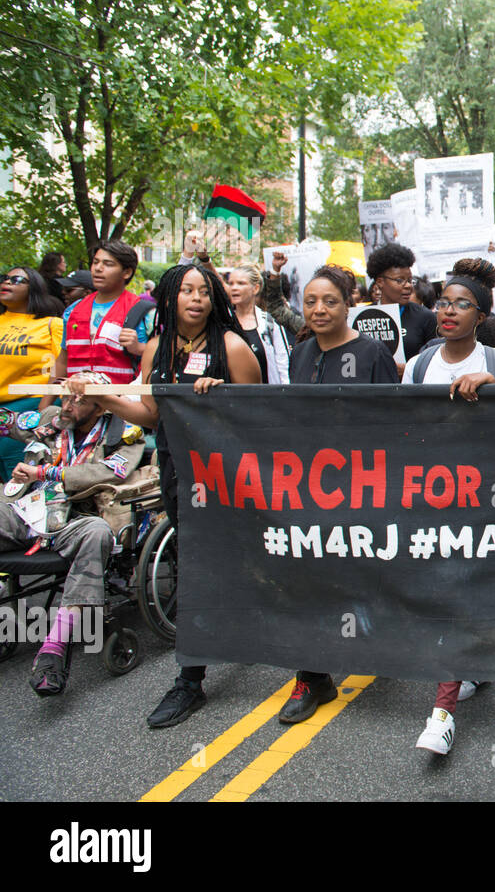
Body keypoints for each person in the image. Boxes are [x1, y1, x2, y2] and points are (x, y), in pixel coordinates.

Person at [82, 262, 263, 728]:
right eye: (186, 290)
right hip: (179, 474)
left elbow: (265, 418)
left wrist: (223, 401)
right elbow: (149, 415)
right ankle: (190, 680)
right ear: (169, 297)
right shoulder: (157, 349)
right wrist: (102, 398)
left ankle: (305, 665)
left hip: (230, 478)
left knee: (255, 563)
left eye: (205, 290)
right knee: (192, 568)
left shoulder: (232, 347)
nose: (197, 298)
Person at [269, 266, 400, 725]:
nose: (319, 309)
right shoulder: (301, 352)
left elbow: (393, 425)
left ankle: (384, 646)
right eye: (310, 301)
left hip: (363, 490)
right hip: (310, 491)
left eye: (329, 301)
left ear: (349, 305)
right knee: (310, 580)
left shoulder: (372, 353)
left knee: (363, 575)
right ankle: (312, 675)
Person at [404, 258, 495, 754]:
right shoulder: (418, 364)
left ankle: (443, 711)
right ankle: (451, 696)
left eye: (461, 305)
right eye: (443, 303)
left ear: (481, 315)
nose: (448, 311)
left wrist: (493, 388)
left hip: (487, 501)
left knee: (464, 593)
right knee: (451, 595)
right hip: (433, 500)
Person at [6, 381, 147, 696]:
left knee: (97, 534)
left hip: (78, 518)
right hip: (30, 511)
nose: (68, 404)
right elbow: (12, 425)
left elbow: (110, 472)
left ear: (100, 406)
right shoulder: (55, 418)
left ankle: (52, 652)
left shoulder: (123, 433)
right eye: (66, 397)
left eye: (78, 400)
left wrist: (45, 474)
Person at [52, 241, 150, 389]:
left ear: (127, 272)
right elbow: (61, 360)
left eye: (108, 264)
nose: (98, 268)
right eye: (95, 262)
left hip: (121, 405)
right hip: (75, 405)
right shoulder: (72, 310)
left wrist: (139, 348)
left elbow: (162, 355)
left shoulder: (143, 311)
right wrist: (45, 403)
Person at [0, 268, 66, 474]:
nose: (8, 282)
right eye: (5, 278)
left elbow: (61, 368)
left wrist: (41, 412)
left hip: (27, 408)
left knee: (17, 476)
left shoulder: (51, 325)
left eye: (17, 280)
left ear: (34, 288)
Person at [366, 243, 439, 372]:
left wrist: (409, 370)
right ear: (380, 282)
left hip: (411, 390)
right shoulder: (363, 317)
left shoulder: (425, 317)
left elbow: (437, 361)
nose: (408, 286)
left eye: (410, 280)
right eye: (400, 280)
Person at [224, 262, 291, 384]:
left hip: (265, 398)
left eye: (240, 283)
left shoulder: (269, 323)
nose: (234, 288)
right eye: (231, 283)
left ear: (255, 288)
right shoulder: (223, 322)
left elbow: (283, 366)